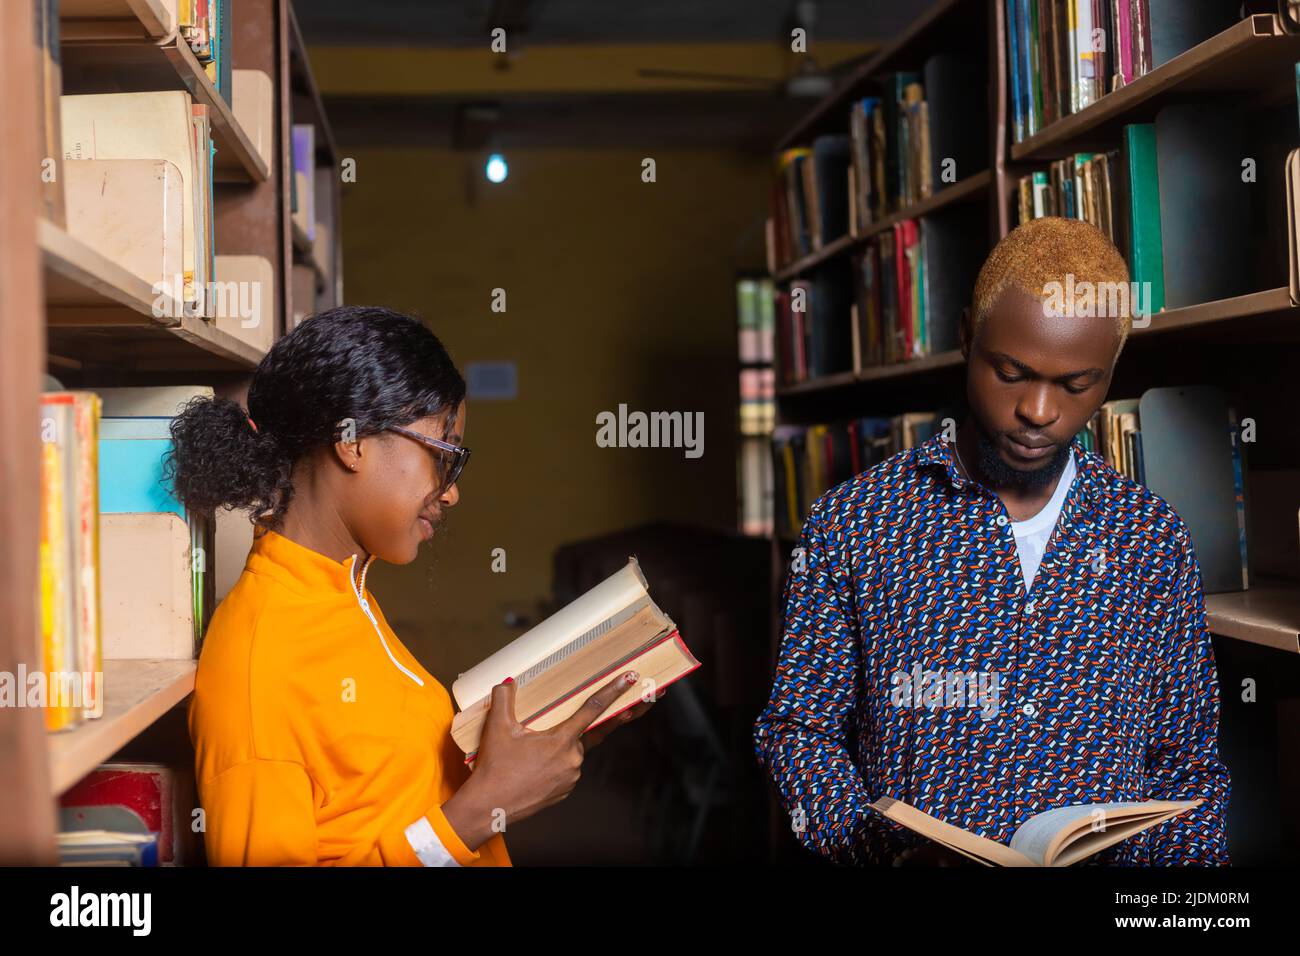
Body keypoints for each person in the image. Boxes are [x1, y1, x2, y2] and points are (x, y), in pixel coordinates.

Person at [753, 216, 1231, 866]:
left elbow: (1189, 768)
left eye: (1074, 384)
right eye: (1011, 371)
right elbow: (799, 730)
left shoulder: (1151, 538)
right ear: (965, 340)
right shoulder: (854, 523)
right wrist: (870, 849)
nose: (1038, 409)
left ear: (1109, 377)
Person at [173, 306, 654, 866]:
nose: (450, 494)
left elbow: (388, 794)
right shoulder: (257, 661)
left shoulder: (340, 595)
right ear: (352, 441)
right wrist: (480, 811)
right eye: (443, 457)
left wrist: (546, 739)